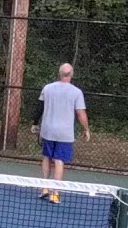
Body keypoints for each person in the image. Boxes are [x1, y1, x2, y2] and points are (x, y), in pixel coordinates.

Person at [31, 62, 91, 204]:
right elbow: (81, 113)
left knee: (46, 157)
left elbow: (39, 108)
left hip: (48, 130)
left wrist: (34, 123)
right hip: (64, 133)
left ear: (59, 73)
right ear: (71, 74)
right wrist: (86, 129)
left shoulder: (47, 88)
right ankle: (55, 193)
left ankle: (45, 188)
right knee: (59, 160)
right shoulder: (76, 92)